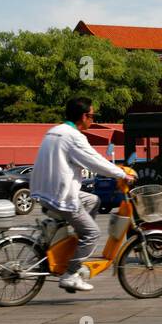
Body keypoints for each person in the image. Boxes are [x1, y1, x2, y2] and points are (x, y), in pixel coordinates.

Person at [30, 97, 133, 293]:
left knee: (94, 200)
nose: (92, 121)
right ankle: (71, 274)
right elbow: (95, 161)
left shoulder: (54, 131)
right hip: (62, 196)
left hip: (43, 192)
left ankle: (73, 243)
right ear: (84, 116)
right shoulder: (74, 137)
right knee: (93, 233)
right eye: (92, 116)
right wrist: (122, 174)